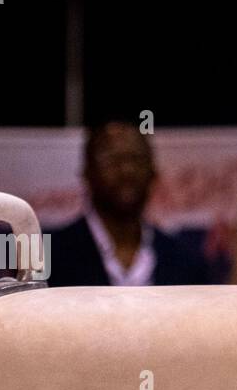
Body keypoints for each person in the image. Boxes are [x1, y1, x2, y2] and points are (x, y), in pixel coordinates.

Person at [46, 121, 209, 287]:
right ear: (87, 172)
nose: (127, 170)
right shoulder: (48, 256)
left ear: (153, 172)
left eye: (136, 158)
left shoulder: (185, 261)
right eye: (112, 159)